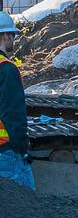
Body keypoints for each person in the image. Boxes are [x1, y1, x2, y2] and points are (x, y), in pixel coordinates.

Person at [0, 10, 35, 191]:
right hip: (6, 151)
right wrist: (23, 148)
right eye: (12, 35)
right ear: (5, 35)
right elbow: (13, 113)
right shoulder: (6, 68)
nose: (12, 39)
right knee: (27, 204)